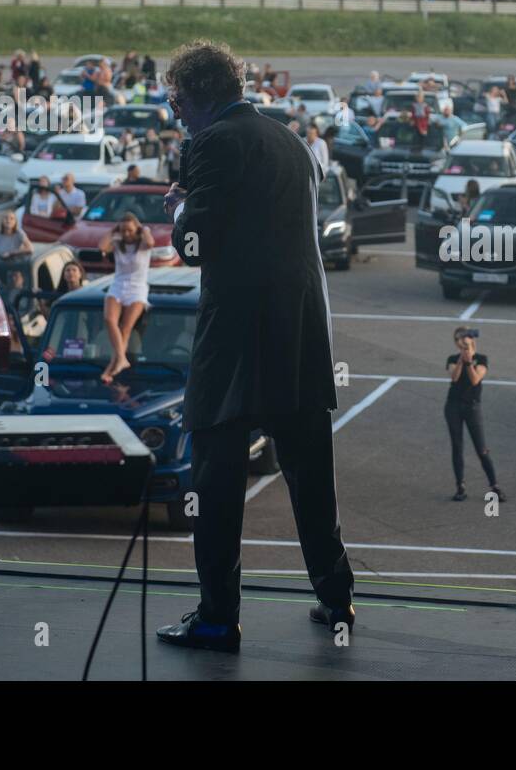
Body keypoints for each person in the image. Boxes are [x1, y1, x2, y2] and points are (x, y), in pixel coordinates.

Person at [156, 40, 352, 652]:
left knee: (215, 478)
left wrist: (184, 209)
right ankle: (336, 598)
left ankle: (218, 615)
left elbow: (197, 247)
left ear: (201, 95)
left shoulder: (212, 143)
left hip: (237, 337)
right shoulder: (292, 141)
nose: (176, 112)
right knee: (311, 477)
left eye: (177, 101)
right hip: (298, 334)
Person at [444, 326, 505, 504]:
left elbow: (475, 379)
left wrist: (470, 361)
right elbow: (454, 377)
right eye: (457, 340)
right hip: (453, 407)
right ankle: (460, 487)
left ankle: (494, 486)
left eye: (463, 339)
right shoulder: (452, 359)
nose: (460, 343)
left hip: (472, 407)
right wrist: (463, 360)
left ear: (472, 341)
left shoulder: (481, 359)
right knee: (457, 446)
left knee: (482, 449)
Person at [96, 212, 152, 383]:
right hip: (118, 284)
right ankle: (120, 360)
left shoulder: (143, 241)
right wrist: (114, 230)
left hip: (137, 287)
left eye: (129, 230)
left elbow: (151, 242)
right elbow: (101, 247)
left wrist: (143, 229)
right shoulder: (117, 242)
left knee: (125, 329)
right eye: (124, 230)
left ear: (136, 228)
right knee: (109, 319)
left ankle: (112, 368)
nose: (127, 234)